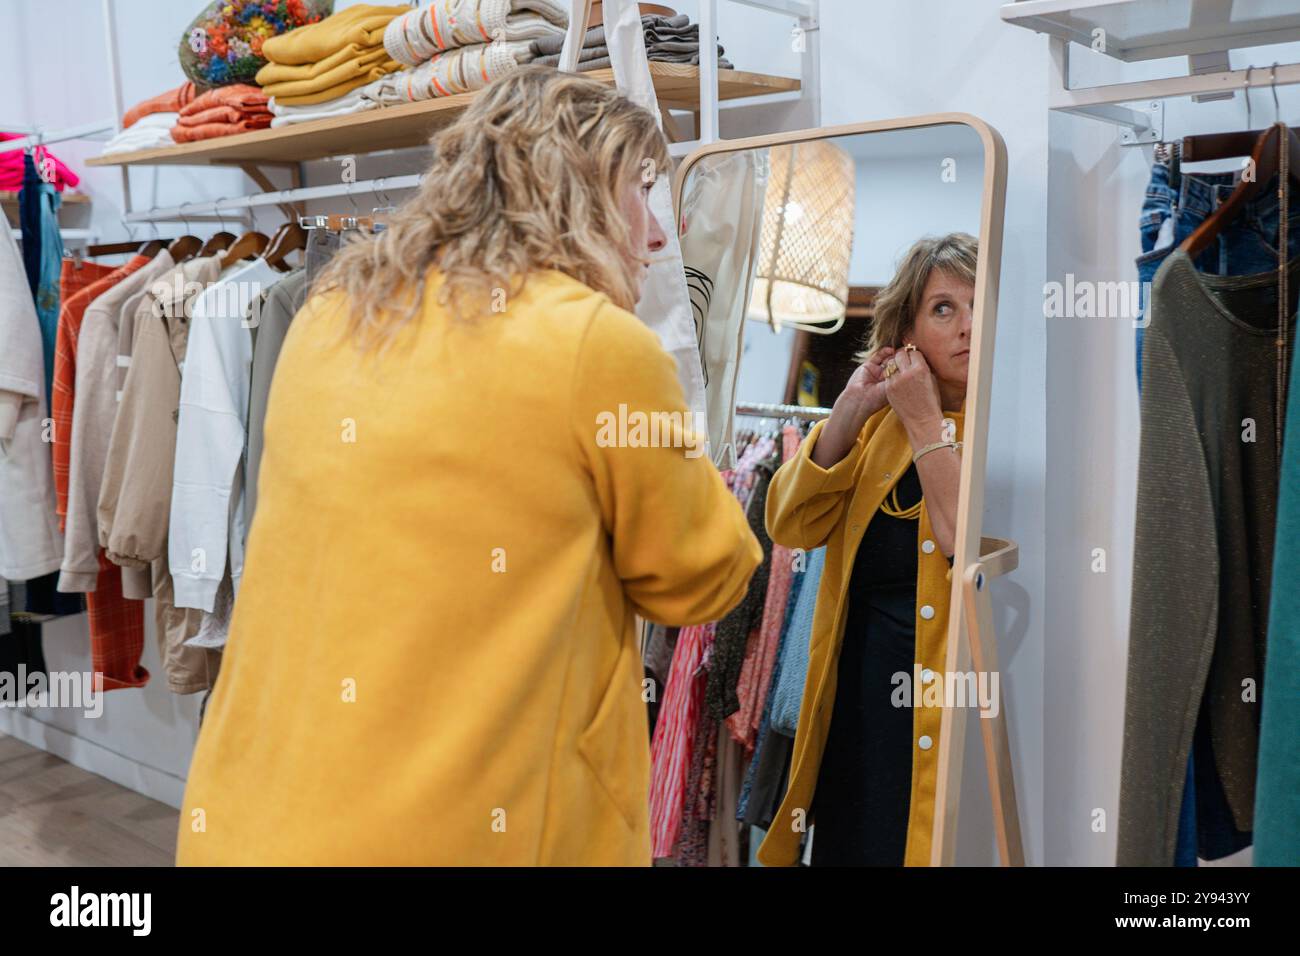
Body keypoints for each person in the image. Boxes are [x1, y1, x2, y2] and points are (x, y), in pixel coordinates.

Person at [176, 66, 762, 866]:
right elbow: (701, 578)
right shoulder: (597, 346)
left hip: (254, 811)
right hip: (473, 827)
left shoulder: (334, 315)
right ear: (581, 194)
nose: (657, 234)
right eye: (643, 191)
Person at [756, 233, 977, 867]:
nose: (967, 327)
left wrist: (928, 424)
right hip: (854, 700)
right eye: (943, 309)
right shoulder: (879, 428)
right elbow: (790, 523)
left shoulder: (999, 423)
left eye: (977, 306)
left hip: (939, 710)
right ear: (906, 330)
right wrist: (852, 407)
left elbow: (962, 541)